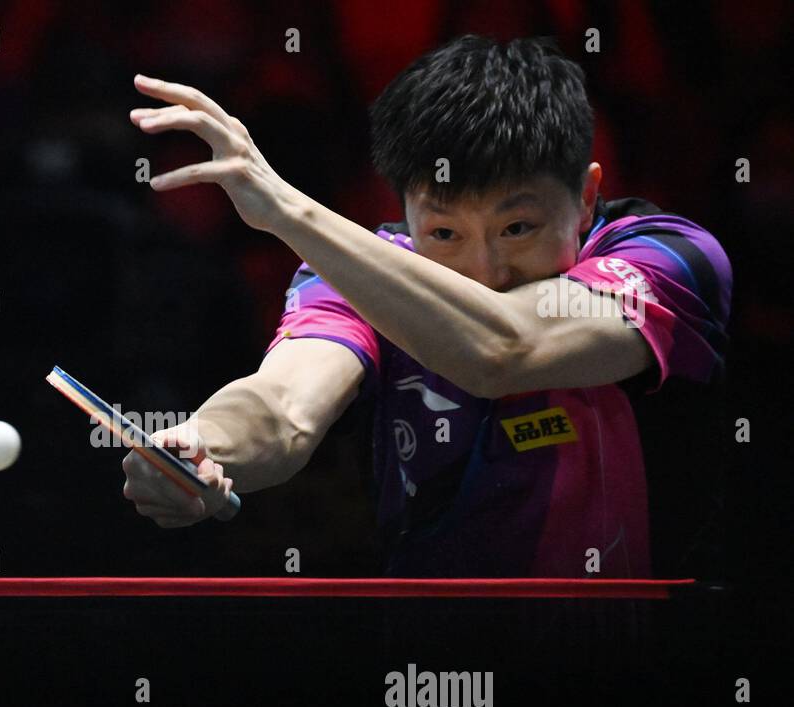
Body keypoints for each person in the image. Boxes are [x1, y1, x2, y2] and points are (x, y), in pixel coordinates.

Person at [121, 34, 731, 578]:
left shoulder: (668, 256)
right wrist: (201, 445)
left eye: (517, 228)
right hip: (419, 672)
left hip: (626, 680)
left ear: (588, 195)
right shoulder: (364, 276)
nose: (485, 271)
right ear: (407, 212)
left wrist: (287, 210)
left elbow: (507, 348)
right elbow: (284, 408)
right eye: (444, 234)